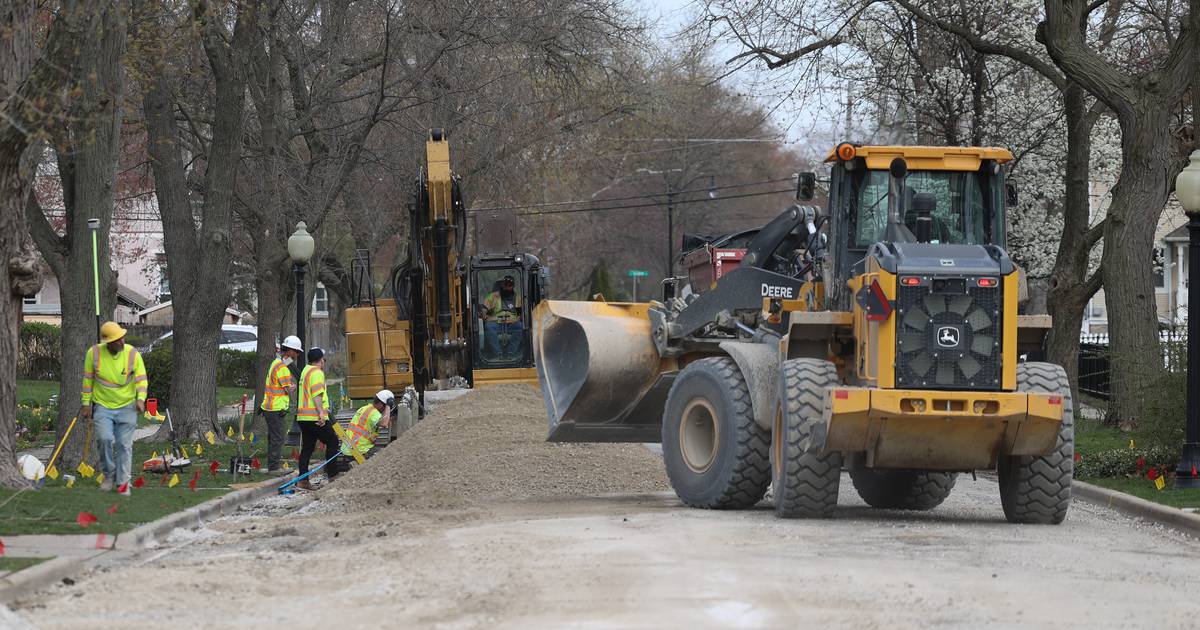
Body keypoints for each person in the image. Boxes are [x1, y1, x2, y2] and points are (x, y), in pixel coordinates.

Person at [80, 321, 147, 496]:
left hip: (128, 406)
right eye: (118, 340)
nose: (122, 342)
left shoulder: (132, 354)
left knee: (124, 445)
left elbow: (141, 380)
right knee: (104, 439)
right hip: (103, 406)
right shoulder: (93, 354)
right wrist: (86, 404)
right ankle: (108, 476)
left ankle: (124, 483)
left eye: (122, 337)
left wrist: (141, 399)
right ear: (108, 342)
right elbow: (88, 381)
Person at [296, 347, 339, 490]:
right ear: (321, 360)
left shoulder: (305, 371)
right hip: (314, 416)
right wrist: (321, 412)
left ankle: (303, 480)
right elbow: (316, 394)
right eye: (324, 360)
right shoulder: (317, 373)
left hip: (303, 417)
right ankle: (333, 476)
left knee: (307, 448)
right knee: (333, 442)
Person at [261, 335, 302, 473]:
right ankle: (274, 468)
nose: (297, 355)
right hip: (275, 408)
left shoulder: (277, 362)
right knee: (278, 438)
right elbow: (287, 388)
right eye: (296, 351)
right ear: (289, 350)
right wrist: (294, 386)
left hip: (270, 407)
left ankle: (272, 465)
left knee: (274, 438)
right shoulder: (282, 367)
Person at [341, 389, 396, 461]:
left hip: (349, 447)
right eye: (385, 407)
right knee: (386, 455)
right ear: (380, 404)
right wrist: (388, 406)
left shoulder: (365, 408)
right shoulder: (374, 413)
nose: (385, 410)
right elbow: (384, 423)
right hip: (357, 450)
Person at [482, 275, 524, 358]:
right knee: (488, 327)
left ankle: (511, 353)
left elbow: (521, 313)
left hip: (512, 323)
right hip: (496, 323)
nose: (507, 287)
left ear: (512, 286)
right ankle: (498, 353)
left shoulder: (517, 298)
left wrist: (517, 319)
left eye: (509, 285)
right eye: (505, 285)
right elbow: (484, 309)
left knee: (520, 326)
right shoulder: (493, 296)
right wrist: (485, 314)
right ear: (502, 285)